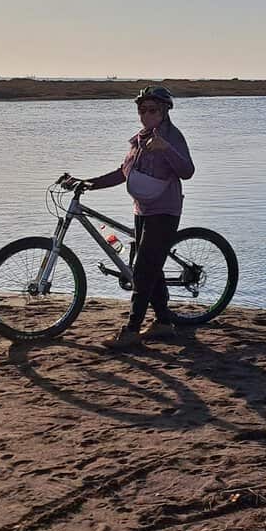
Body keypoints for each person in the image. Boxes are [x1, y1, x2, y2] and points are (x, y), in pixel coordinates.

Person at [62, 86, 195, 348]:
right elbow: (123, 173)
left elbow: (187, 171)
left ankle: (132, 330)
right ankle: (163, 323)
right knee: (150, 267)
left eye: (152, 110)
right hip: (142, 209)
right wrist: (87, 183)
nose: (146, 115)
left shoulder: (172, 137)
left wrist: (166, 148)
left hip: (164, 211)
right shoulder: (139, 140)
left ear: (165, 111)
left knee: (143, 270)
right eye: (142, 110)